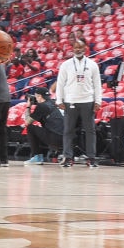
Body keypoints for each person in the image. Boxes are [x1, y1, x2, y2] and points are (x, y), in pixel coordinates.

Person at [54, 38, 102, 168]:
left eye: (80, 47)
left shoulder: (92, 64)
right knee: (68, 130)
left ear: (85, 48)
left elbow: (97, 84)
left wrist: (98, 101)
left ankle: (91, 158)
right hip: (70, 101)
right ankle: (68, 157)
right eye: (75, 47)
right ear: (72, 49)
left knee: (90, 130)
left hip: (88, 101)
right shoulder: (66, 65)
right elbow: (60, 83)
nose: (78, 49)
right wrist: (59, 99)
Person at [25, 87, 64, 162]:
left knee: (30, 128)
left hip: (55, 139)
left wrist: (28, 106)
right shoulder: (53, 102)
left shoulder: (41, 106)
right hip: (65, 139)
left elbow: (27, 122)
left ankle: (36, 156)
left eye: (36, 96)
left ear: (39, 96)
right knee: (42, 129)